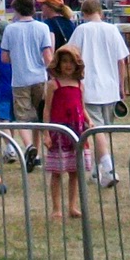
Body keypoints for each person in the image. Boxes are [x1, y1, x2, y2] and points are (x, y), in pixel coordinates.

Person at [72, 0, 129, 186]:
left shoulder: (81, 30)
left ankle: (108, 168)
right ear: (101, 12)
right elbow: (121, 61)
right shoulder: (112, 30)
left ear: (84, 13)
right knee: (103, 130)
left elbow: (71, 55)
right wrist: (121, 85)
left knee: (96, 131)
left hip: (88, 87)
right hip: (110, 87)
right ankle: (98, 172)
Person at [1, 0, 55, 170]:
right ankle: (37, 153)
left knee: (23, 117)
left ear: (16, 9)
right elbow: (47, 55)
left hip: (20, 79)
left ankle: (29, 146)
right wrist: (53, 74)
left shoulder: (10, 29)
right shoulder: (42, 28)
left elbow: (5, 58)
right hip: (39, 77)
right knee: (38, 116)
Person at [43, 46, 90, 218]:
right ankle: (56, 208)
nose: (68, 65)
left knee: (74, 172)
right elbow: (47, 109)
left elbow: (82, 107)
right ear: (58, 63)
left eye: (71, 62)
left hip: (77, 130)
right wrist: (46, 133)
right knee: (57, 172)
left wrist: (88, 120)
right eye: (64, 61)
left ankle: (72, 206)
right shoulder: (53, 85)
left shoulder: (79, 85)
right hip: (59, 131)